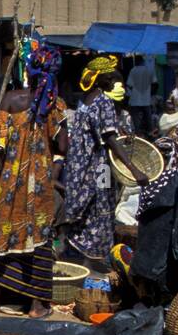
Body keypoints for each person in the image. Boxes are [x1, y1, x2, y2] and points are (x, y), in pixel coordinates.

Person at [0, 63, 68, 318]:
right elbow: (63, 144)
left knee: (1, 236)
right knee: (37, 238)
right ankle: (37, 306)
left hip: (7, 183)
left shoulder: (11, 98)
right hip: (38, 185)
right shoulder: (54, 105)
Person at [61, 57, 147, 264]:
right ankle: (95, 258)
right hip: (100, 168)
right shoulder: (104, 102)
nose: (113, 80)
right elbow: (110, 137)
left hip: (78, 166)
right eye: (111, 76)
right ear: (101, 79)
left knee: (82, 206)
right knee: (102, 207)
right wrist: (133, 169)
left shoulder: (85, 100)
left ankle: (75, 251)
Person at [126, 56, 157, 136]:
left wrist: (135, 90)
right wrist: (149, 92)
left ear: (136, 62)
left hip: (135, 99)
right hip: (146, 99)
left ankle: (138, 133)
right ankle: (150, 131)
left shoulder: (133, 70)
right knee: (148, 116)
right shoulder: (149, 70)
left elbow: (129, 84)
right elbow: (155, 83)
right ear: (143, 61)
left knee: (135, 117)